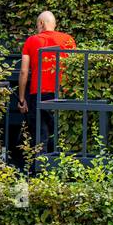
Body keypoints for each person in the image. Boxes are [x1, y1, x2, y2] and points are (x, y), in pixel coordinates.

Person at [16, 10, 78, 157]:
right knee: (61, 133)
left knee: (40, 135)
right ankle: (61, 167)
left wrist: (21, 99)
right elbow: (75, 68)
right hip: (62, 93)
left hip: (38, 94)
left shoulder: (32, 40)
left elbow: (24, 72)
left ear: (41, 23)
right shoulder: (68, 40)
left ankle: (40, 169)